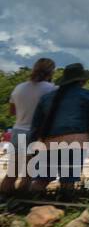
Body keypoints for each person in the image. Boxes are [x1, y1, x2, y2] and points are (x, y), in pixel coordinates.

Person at [29, 62, 89, 192]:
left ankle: (28, 205)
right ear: (82, 80)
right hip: (76, 141)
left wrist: (32, 145)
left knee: (41, 180)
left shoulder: (47, 97)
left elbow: (36, 125)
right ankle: (63, 207)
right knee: (68, 180)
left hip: (48, 142)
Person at [2, 58, 56, 194]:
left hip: (18, 130)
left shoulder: (19, 88)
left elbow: (12, 111)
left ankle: (4, 198)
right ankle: (22, 202)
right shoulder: (52, 89)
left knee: (12, 171)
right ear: (51, 72)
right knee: (29, 173)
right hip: (37, 133)